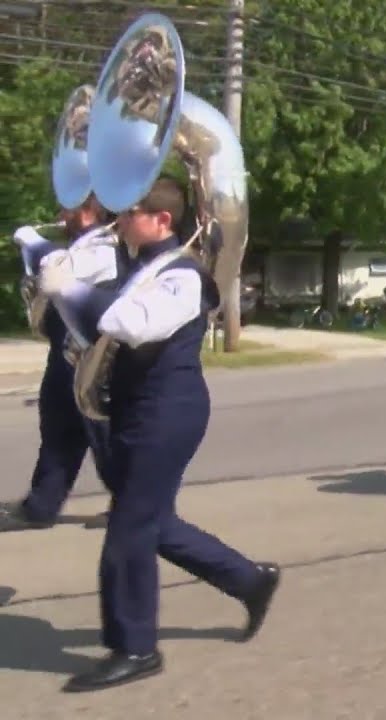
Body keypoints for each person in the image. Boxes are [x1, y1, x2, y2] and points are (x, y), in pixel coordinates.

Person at [42, 176, 279, 692]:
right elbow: (93, 328)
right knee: (152, 522)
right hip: (132, 410)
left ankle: (135, 647)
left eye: (129, 213)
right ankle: (249, 580)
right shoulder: (140, 267)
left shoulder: (183, 277)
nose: (118, 220)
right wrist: (51, 267)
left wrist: (72, 291)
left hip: (167, 414)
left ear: (162, 220)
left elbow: (130, 325)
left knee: (127, 529)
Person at [1, 198, 116, 533]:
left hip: (93, 358)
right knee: (57, 432)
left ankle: (130, 503)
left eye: (69, 209)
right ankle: (42, 505)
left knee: (104, 437)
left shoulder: (107, 248)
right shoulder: (79, 246)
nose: (61, 216)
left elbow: (60, 267)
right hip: (62, 354)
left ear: (91, 212)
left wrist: (35, 244)